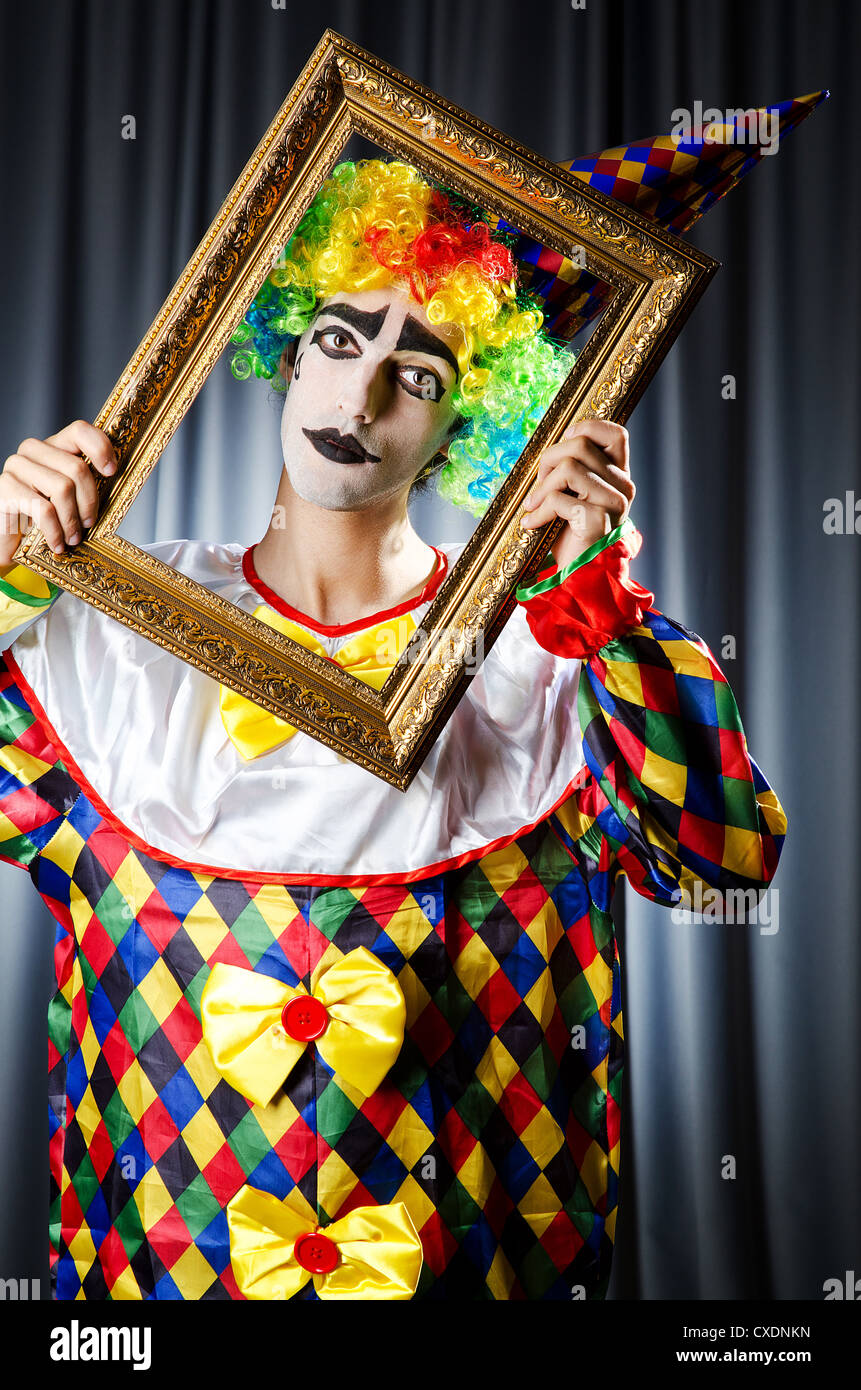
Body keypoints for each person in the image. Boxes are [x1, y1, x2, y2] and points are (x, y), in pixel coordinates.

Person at [0, 158, 787, 1301]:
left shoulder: (543, 643)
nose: (361, 399)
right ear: (280, 344)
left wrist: (605, 614)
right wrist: (9, 575)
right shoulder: (112, 631)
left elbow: (726, 857)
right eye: (337, 340)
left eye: (417, 372)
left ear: (477, 417)